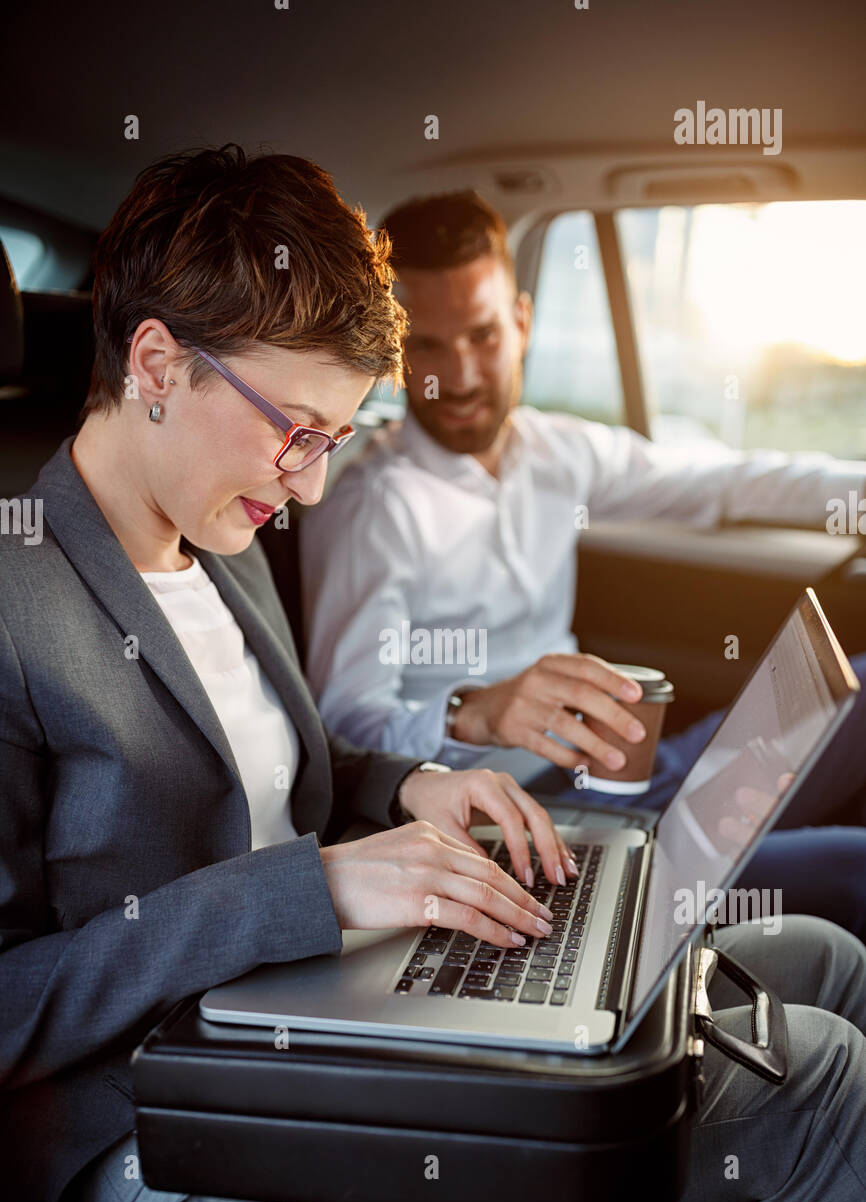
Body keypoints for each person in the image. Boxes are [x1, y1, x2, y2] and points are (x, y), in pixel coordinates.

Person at [2, 150, 864, 1202]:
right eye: (292, 429)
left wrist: (408, 787)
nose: (308, 488)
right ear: (158, 361)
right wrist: (314, 888)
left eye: (335, 439)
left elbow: (293, 766)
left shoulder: (222, 545)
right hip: (159, 1153)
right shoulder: (19, 600)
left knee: (823, 960)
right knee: (809, 1081)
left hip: (314, 1023)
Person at [301, 189, 866, 941]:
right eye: (429, 346)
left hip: (628, 767)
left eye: (483, 335)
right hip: (536, 828)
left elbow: (723, 481)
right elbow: (346, 732)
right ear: (398, 349)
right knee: (855, 870)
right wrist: (476, 712)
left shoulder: (556, 450)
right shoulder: (371, 508)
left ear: (523, 324)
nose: (461, 376)